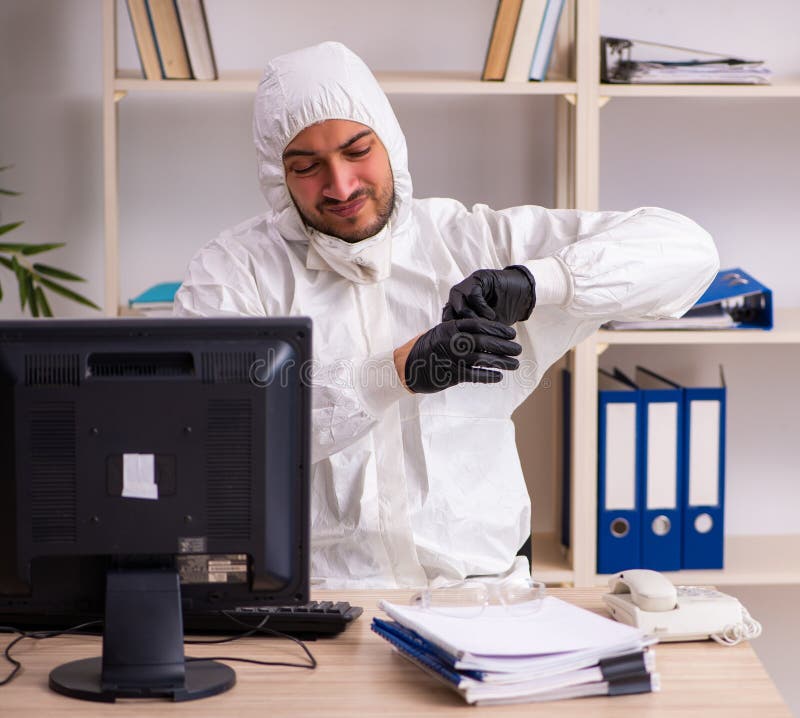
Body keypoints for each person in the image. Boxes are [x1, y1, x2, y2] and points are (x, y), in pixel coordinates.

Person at [174, 42, 719, 589]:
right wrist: (395, 374)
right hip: (317, 605)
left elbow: (688, 251)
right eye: (307, 166)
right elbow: (213, 434)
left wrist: (536, 283)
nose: (340, 186)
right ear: (278, 176)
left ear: (389, 141)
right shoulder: (234, 270)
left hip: (480, 599)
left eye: (357, 150)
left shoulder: (471, 241)